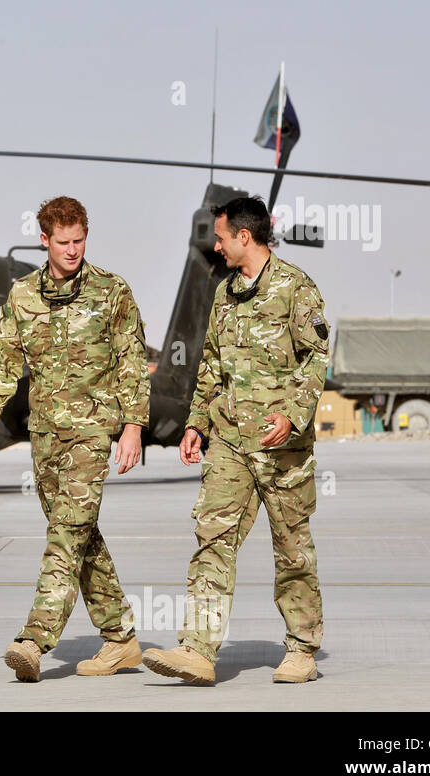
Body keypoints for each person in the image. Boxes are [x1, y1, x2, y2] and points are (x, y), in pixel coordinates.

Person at [141, 195, 328, 685]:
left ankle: (302, 649)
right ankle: (199, 651)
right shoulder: (224, 293)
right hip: (228, 442)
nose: (217, 245)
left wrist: (292, 414)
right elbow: (210, 367)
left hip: (280, 447)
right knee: (212, 540)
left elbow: (315, 360)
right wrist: (196, 423)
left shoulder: (295, 287)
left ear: (245, 236)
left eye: (221, 237)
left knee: (291, 549)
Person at [0, 195, 150, 682]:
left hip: (92, 435)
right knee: (80, 536)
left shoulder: (112, 291)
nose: (72, 251)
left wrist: (132, 426)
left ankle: (34, 638)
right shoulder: (22, 295)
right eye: (63, 242)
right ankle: (120, 640)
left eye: (80, 241)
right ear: (44, 239)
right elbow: (5, 359)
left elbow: (132, 362)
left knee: (65, 535)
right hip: (45, 435)